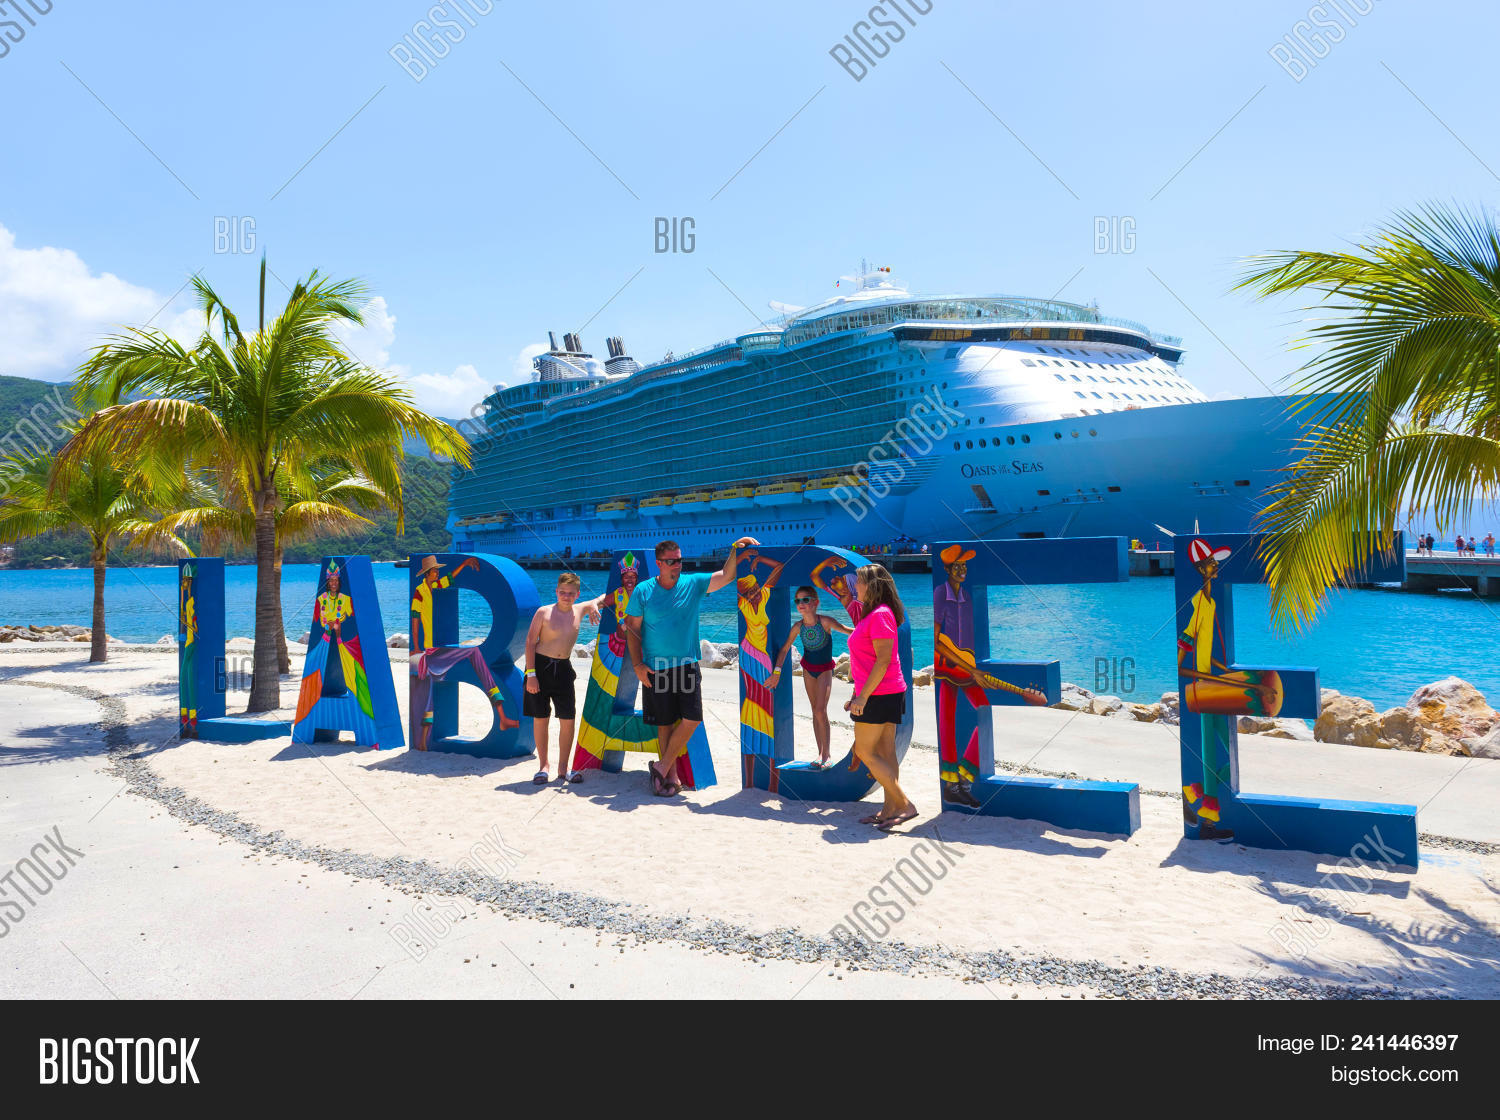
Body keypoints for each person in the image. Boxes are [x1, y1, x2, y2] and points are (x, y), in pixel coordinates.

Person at [626, 537, 757, 796]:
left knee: (692, 718)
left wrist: (734, 549)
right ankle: (669, 777)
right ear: (659, 563)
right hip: (656, 667)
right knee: (665, 723)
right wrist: (638, 664)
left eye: (679, 560)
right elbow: (632, 628)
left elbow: (727, 575)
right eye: (671, 561)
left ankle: (661, 766)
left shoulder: (693, 583)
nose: (677, 565)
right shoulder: (643, 590)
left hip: (687, 664)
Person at [932, 545, 1047, 807]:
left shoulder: (968, 597)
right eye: (957, 566)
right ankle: (951, 785)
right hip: (947, 666)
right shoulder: (941, 594)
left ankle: (963, 778)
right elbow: (937, 641)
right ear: (948, 569)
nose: (963, 571)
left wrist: (972, 666)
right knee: (947, 722)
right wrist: (972, 669)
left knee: (983, 713)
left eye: (965, 566)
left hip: (966, 665)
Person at [410, 555, 520, 751]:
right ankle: (422, 741)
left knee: (430, 695)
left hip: (437, 651)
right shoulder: (419, 592)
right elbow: (415, 619)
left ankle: (422, 742)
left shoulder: (435, 587)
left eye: (437, 570)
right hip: (430, 652)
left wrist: (464, 564)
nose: (437, 573)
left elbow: (450, 579)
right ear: (427, 573)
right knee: (473, 655)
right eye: (434, 571)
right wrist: (416, 646)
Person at [845, 564, 917, 830]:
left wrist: (862, 697)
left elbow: (884, 660)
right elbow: (868, 661)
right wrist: (857, 693)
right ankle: (889, 810)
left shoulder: (880, 615)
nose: (856, 587)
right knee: (886, 752)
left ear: (872, 586)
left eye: (860, 582)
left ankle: (904, 804)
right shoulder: (874, 614)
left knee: (864, 750)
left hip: (880, 693)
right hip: (882, 691)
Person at [523, 571, 604, 784]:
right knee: (541, 718)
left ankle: (563, 767)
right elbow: (530, 642)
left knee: (567, 719)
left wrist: (594, 604)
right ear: (556, 591)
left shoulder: (580, 609)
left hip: (564, 670)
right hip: (539, 668)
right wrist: (531, 675)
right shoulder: (544, 612)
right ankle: (543, 766)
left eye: (570, 593)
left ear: (577, 594)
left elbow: (603, 597)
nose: (566, 596)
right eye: (562, 592)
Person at [769, 585, 851, 768]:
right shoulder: (798, 627)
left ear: (815, 603)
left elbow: (850, 631)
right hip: (808, 670)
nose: (801, 604)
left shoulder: (826, 622)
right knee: (815, 711)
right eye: (797, 601)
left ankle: (827, 755)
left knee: (821, 710)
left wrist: (873, 635)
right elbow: (784, 650)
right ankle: (820, 753)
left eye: (805, 599)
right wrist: (777, 673)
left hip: (824, 670)